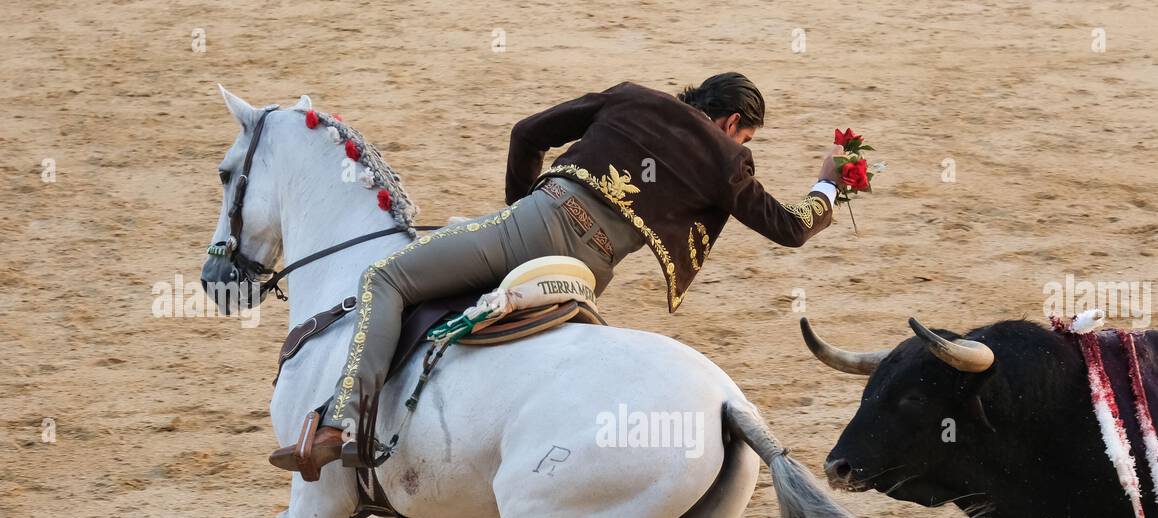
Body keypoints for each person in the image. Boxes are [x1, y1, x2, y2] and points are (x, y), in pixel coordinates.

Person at [272, 72, 845, 479]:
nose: (738, 144)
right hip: (586, 273)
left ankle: (340, 426)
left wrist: (519, 211)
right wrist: (830, 183)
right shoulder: (728, 160)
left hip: (536, 226)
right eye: (744, 137)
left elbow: (527, 132)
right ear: (733, 121)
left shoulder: (632, 99)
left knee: (384, 279)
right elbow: (791, 228)